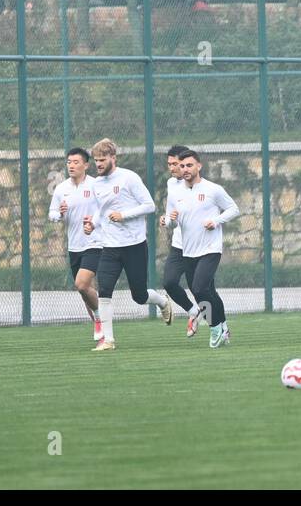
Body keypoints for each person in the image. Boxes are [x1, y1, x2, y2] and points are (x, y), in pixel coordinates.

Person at [85, 138, 173, 351]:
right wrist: (92, 224)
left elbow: (149, 206)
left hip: (134, 245)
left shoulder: (128, 178)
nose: (99, 164)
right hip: (109, 247)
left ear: (113, 158)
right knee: (104, 290)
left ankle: (162, 302)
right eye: (96, 160)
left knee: (139, 295)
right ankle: (108, 340)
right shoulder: (96, 183)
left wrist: (123, 215)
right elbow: (101, 210)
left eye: (102, 160)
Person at [164, 149, 240, 348]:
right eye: (182, 166)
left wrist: (215, 221)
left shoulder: (213, 189)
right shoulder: (175, 192)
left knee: (199, 287)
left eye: (189, 165)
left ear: (199, 166)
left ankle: (215, 328)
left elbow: (233, 209)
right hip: (188, 251)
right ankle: (223, 327)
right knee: (204, 293)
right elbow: (171, 224)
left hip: (210, 248)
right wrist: (170, 221)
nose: (185, 169)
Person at [49, 147, 104, 345]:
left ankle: (100, 319)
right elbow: (52, 214)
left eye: (76, 162)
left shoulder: (96, 185)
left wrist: (94, 221)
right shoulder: (61, 188)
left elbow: (106, 209)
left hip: (95, 243)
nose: (71, 165)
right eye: (69, 162)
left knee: (81, 284)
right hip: (75, 246)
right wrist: (60, 214)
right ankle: (103, 335)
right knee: (85, 292)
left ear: (86, 165)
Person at [160, 144, 205, 338]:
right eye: (169, 164)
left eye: (176, 164)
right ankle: (193, 312)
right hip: (179, 246)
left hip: (199, 247)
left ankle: (218, 326)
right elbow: (172, 213)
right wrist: (167, 219)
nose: (172, 168)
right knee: (169, 282)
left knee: (202, 290)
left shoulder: (202, 187)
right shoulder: (171, 184)